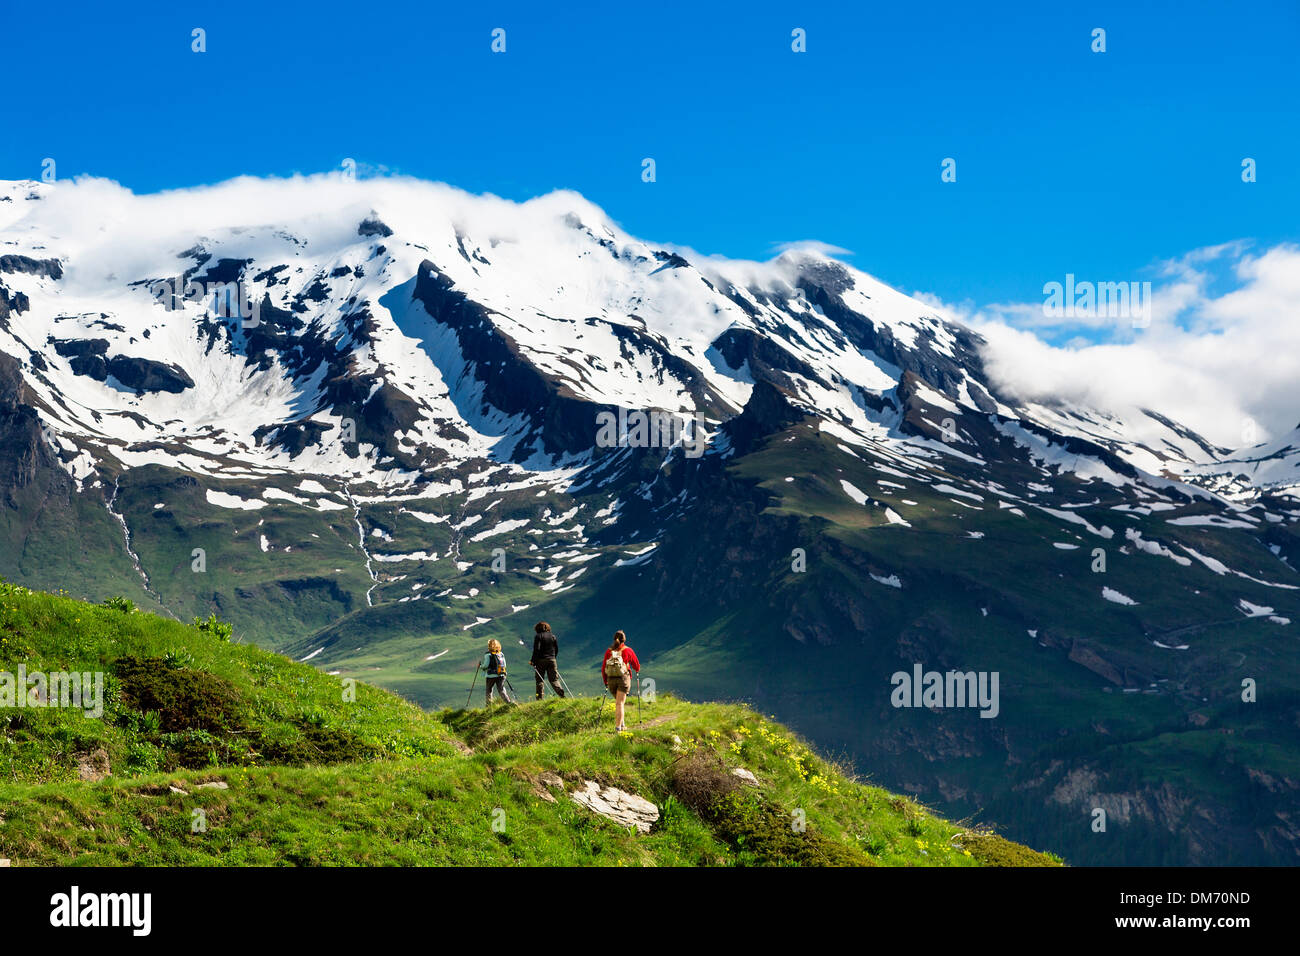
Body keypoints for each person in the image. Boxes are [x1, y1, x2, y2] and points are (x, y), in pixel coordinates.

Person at [601, 630, 640, 731]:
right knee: (620, 703)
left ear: (614, 639)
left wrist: (606, 681)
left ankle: (622, 724)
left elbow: (603, 668)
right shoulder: (628, 650)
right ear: (624, 639)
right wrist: (636, 669)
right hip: (623, 679)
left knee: (618, 702)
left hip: (611, 680)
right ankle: (618, 728)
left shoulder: (609, 651)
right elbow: (637, 665)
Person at [529, 621, 565, 699]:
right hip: (552, 660)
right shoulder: (553, 636)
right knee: (554, 679)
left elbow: (536, 650)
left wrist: (533, 661)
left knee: (539, 680)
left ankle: (539, 698)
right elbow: (556, 649)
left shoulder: (538, 636)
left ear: (537, 629)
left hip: (541, 661)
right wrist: (553, 657)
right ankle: (561, 693)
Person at [482, 639, 511, 705]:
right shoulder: (501, 654)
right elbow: (505, 665)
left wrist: (480, 666)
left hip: (491, 675)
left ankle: (489, 706)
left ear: (489, 646)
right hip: (501, 674)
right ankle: (509, 703)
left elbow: (485, 666)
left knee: (489, 690)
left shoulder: (488, 655)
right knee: (501, 690)